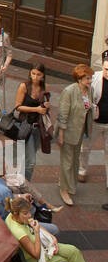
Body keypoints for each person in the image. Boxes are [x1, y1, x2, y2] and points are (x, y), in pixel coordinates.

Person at [5, 194, 107, 262]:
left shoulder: (13, 216)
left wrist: (51, 237)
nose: (29, 215)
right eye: (25, 213)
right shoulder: (19, 232)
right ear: (16, 213)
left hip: (43, 247)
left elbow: (32, 224)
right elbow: (35, 254)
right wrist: (37, 231)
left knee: (74, 251)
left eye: (29, 212)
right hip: (37, 260)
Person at [56, 64, 94, 205]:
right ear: (79, 79)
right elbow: (63, 114)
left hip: (80, 132)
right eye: (87, 78)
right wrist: (61, 134)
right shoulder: (69, 91)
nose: (90, 81)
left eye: (90, 78)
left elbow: (88, 108)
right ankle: (64, 190)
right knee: (67, 162)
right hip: (68, 132)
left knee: (75, 160)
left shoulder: (89, 90)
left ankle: (66, 183)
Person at [13, 59, 51, 183]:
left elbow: (45, 107)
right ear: (30, 73)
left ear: (43, 75)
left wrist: (46, 106)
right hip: (25, 125)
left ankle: (19, 179)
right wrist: (36, 109)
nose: (35, 77)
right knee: (31, 161)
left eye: (38, 74)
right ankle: (24, 185)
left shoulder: (45, 87)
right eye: (33, 73)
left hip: (38, 128)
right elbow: (18, 106)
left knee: (27, 157)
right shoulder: (24, 86)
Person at [84, 49, 108, 184]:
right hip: (95, 122)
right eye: (106, 69)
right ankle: (82, 170)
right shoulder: (94, 79)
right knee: (85, 148)